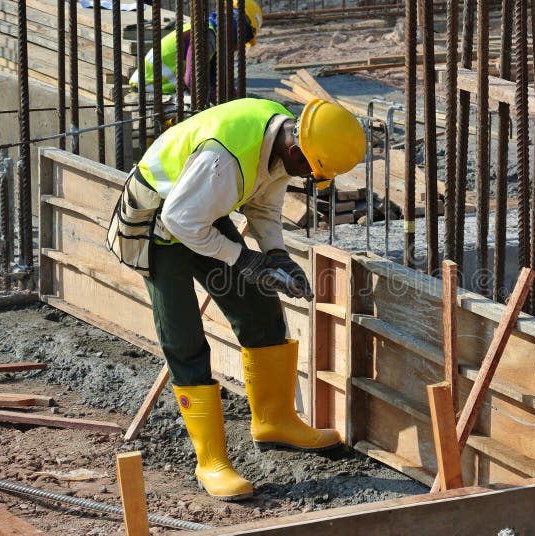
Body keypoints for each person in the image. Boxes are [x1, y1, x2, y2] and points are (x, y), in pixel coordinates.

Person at [106, 97, 365, 501]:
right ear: (297, 150)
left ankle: (274, 420)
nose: (305, 179)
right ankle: (210, 461)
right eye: (309, 172)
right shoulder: (224, 162)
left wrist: (277, 256)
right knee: (185, 337)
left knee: (258, 309)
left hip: (199, 209)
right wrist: (243, 257)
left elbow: (263, 204)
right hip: (160, 221)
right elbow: (179, 219)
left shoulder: (284, 143)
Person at [129, 0, 263, 103]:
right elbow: (193, 82)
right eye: (244, 38)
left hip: (164, 90)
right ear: (237, 25)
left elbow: (214, 82)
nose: (239, 47)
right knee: (201, 111)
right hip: (148, 92)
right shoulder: (206, 34)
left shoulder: (214, 36)